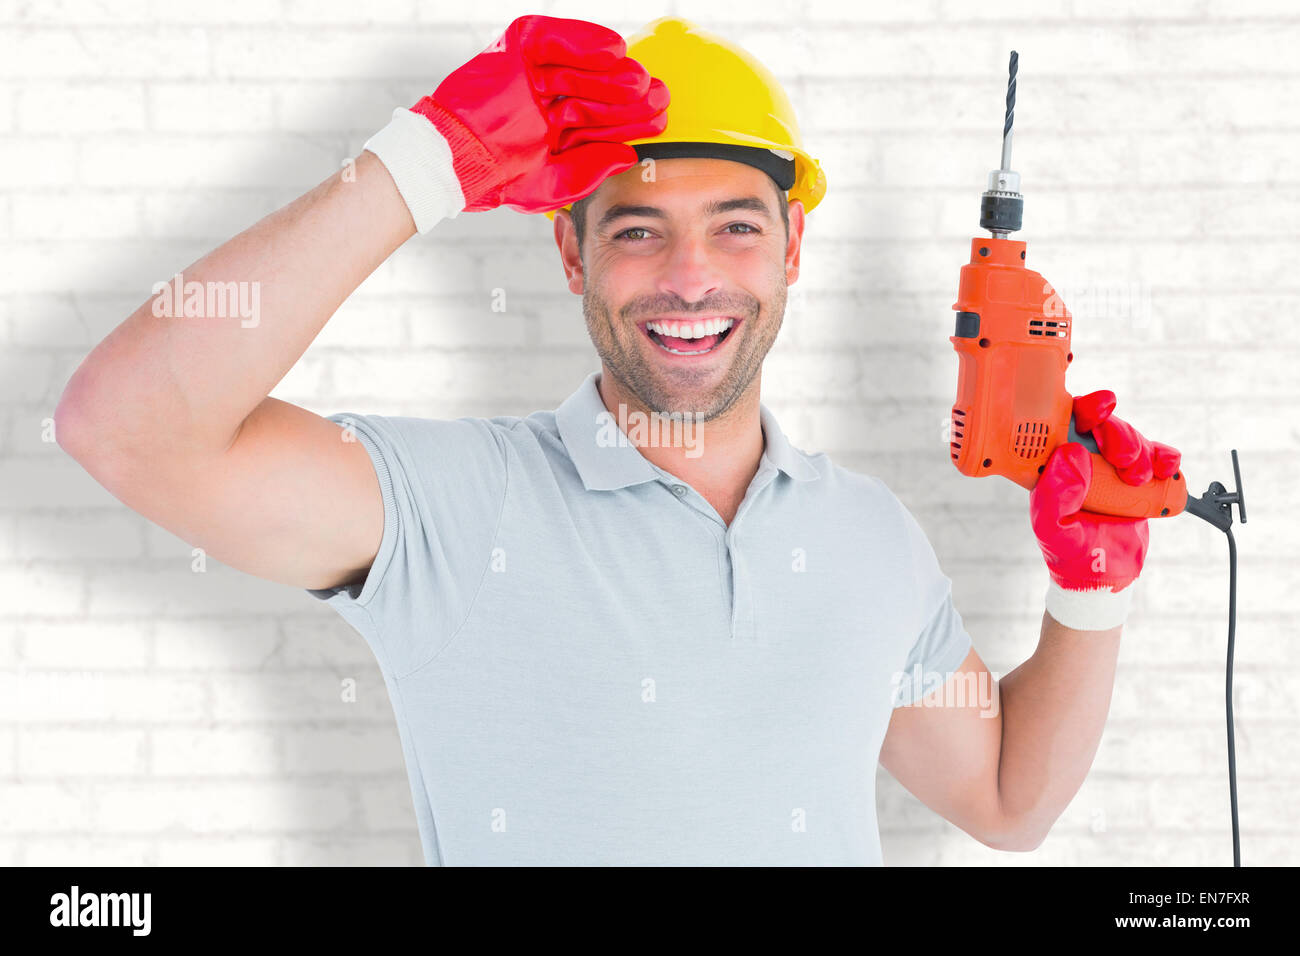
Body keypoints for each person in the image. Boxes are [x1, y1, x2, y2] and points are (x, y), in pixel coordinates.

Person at [55, 15, 1180, 866]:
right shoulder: (447, 511)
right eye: (637, 229)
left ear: (791, 245)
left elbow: (1003, 795)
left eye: (734, 227)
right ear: (568, 254)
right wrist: (426, 160)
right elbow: (129, 426)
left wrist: (1090, 592)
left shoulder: (867, 539)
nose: (689, 277)